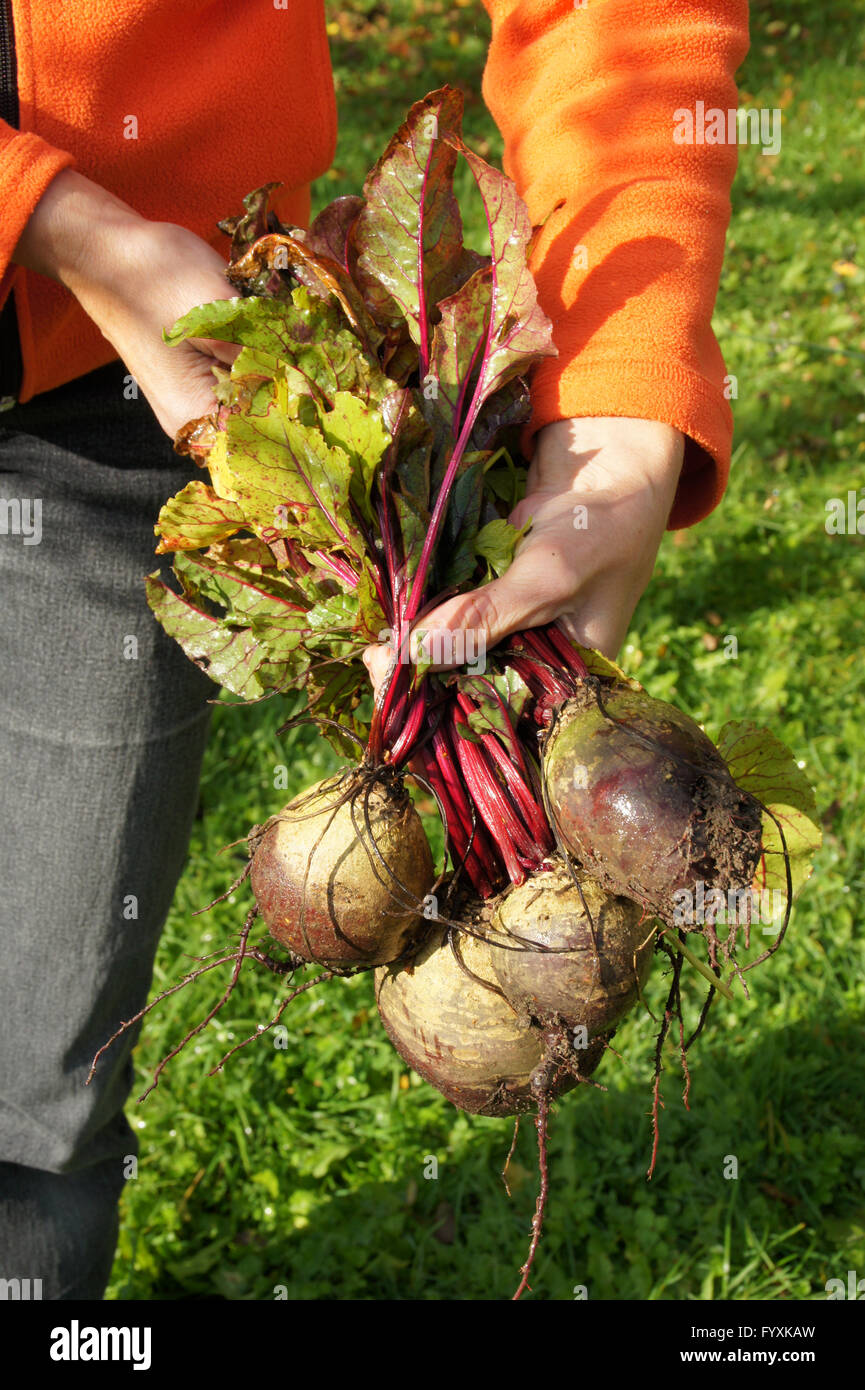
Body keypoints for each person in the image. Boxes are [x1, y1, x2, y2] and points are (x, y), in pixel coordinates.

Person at [0, 0, 749, 1299]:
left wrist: (624, 389)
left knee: (32, 1081)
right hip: (123, 278)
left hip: (152, 375)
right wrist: (50, 215)